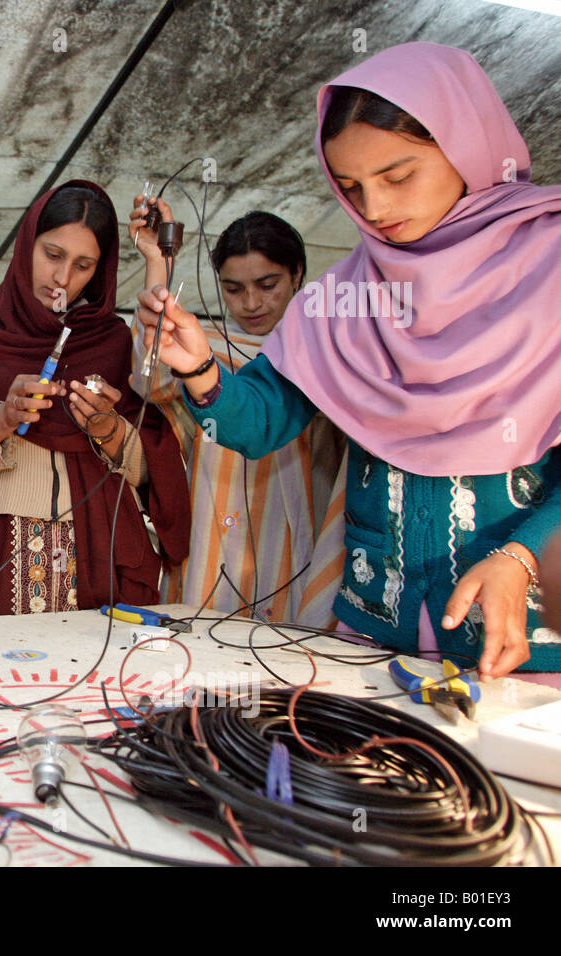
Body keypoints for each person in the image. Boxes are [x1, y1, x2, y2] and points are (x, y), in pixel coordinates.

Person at [136, 43, 561, 680]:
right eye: (352, 187)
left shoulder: (550, 270)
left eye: (397, 176)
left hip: (522, 646)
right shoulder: (344, 296)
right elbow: (254, 426)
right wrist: (199, 370)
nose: (375, 210)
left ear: (469, 148)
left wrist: (522, 558)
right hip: (374, 636)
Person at [0, 181, 189, 617]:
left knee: (105, 684)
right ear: (27, 244)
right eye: (53, 255)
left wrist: (108, 429)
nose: (63, 278)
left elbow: (153, 467)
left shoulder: (113, 340)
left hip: (107, 555)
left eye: (84, 265)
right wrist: (0, 420)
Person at [132, 208, 346, 624]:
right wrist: (157, 262)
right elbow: (150, 378)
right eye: (233, 289)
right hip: (213, 528)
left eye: (268, 285)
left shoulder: (326, 348)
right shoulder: (201, 345)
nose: (251, 303)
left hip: (303, 531)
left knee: (290, 659)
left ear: (297, 274)